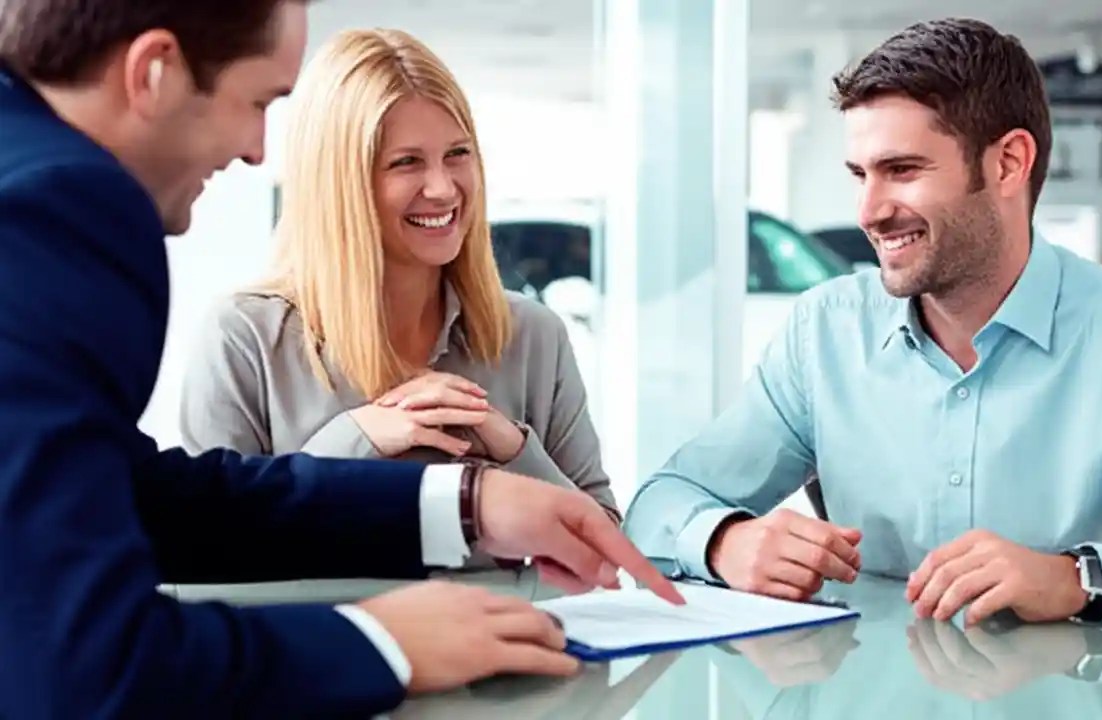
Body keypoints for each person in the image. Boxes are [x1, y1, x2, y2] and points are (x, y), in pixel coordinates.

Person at [0, 1, 680, 717]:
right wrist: (382, 640)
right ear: (154, 72)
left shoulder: (26, 182)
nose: (259, 151)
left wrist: (468, 501)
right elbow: (89, 664)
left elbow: (154, 499)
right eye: (258, 101)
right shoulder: (58, 208)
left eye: (457, 155)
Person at [623, 17, 1102, 647]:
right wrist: (725, 541)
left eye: (902, 170)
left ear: (1007, 164)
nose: (870, 212)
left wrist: (1077, 579)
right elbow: (659, 505)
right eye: (860, 175)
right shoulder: (824, 333)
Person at [178, 30, 620, 580]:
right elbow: (204, 560)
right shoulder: (245, 338)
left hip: (507, 660)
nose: (442, 188)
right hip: (323, 662)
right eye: (406, 162)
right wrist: (356, 441)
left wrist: (510, 446)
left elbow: (605, 563)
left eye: (457, 154)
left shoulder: (532, 334)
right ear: (341, 183)